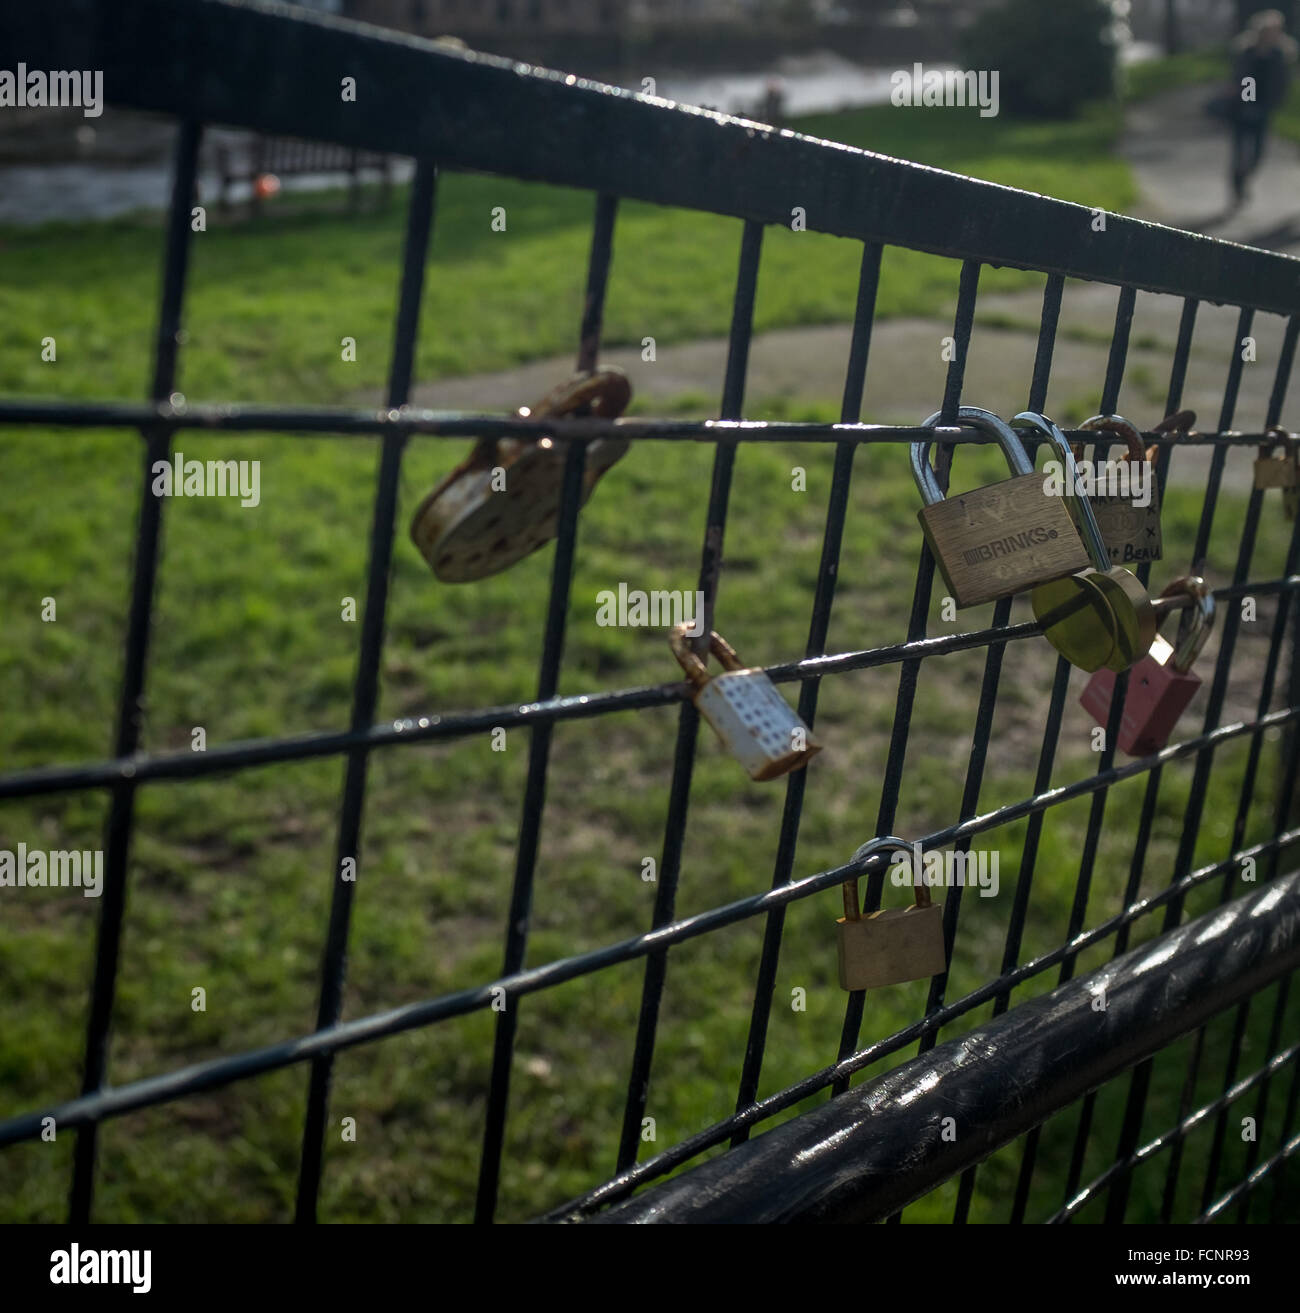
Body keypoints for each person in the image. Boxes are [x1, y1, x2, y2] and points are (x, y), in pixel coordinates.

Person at [1226, 9, 1297, 205]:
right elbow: (1239, 78)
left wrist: (1273, 102)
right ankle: (1237, 186)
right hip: (1241, 109)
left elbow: (1282, 84)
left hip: (1264, 109)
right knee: (1240, 152)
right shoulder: (1246, 52)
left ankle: (1244, 178)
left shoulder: (1280, 55)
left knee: (1257, 153)